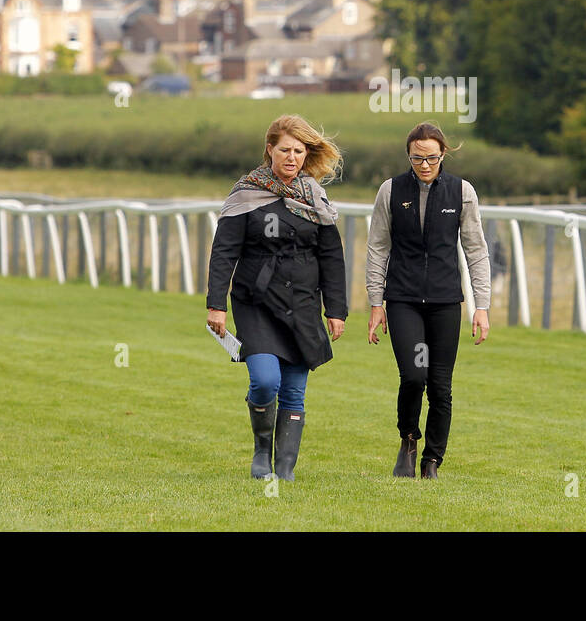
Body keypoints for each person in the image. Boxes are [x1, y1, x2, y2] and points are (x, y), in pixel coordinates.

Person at [207, 115, 347, 482]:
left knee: (295, 389)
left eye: (299, 151)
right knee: (266, 379)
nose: (292, 157)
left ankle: (283, 469)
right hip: (256, 302)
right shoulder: (246, 194)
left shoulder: (315, 198)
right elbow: (224, 251)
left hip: (302, 303)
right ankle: (260, 451)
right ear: (270, 149)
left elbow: (332, 256)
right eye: (285, 149)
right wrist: (216, 304)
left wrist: (336, 309)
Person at [365, 121, 491, 479]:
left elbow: (476, 251)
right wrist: (376, 303)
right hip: (403, 299)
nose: (424, 165)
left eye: (431, 158)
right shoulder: (390, 191)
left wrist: (481, 306)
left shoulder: (462, 192)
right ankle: (408, 439)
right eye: (417, 158)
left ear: (443, 155)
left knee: (440, 384)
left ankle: (432, 460)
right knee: (414, 376)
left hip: (445, 302)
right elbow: (377, 248)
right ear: (409, 155)